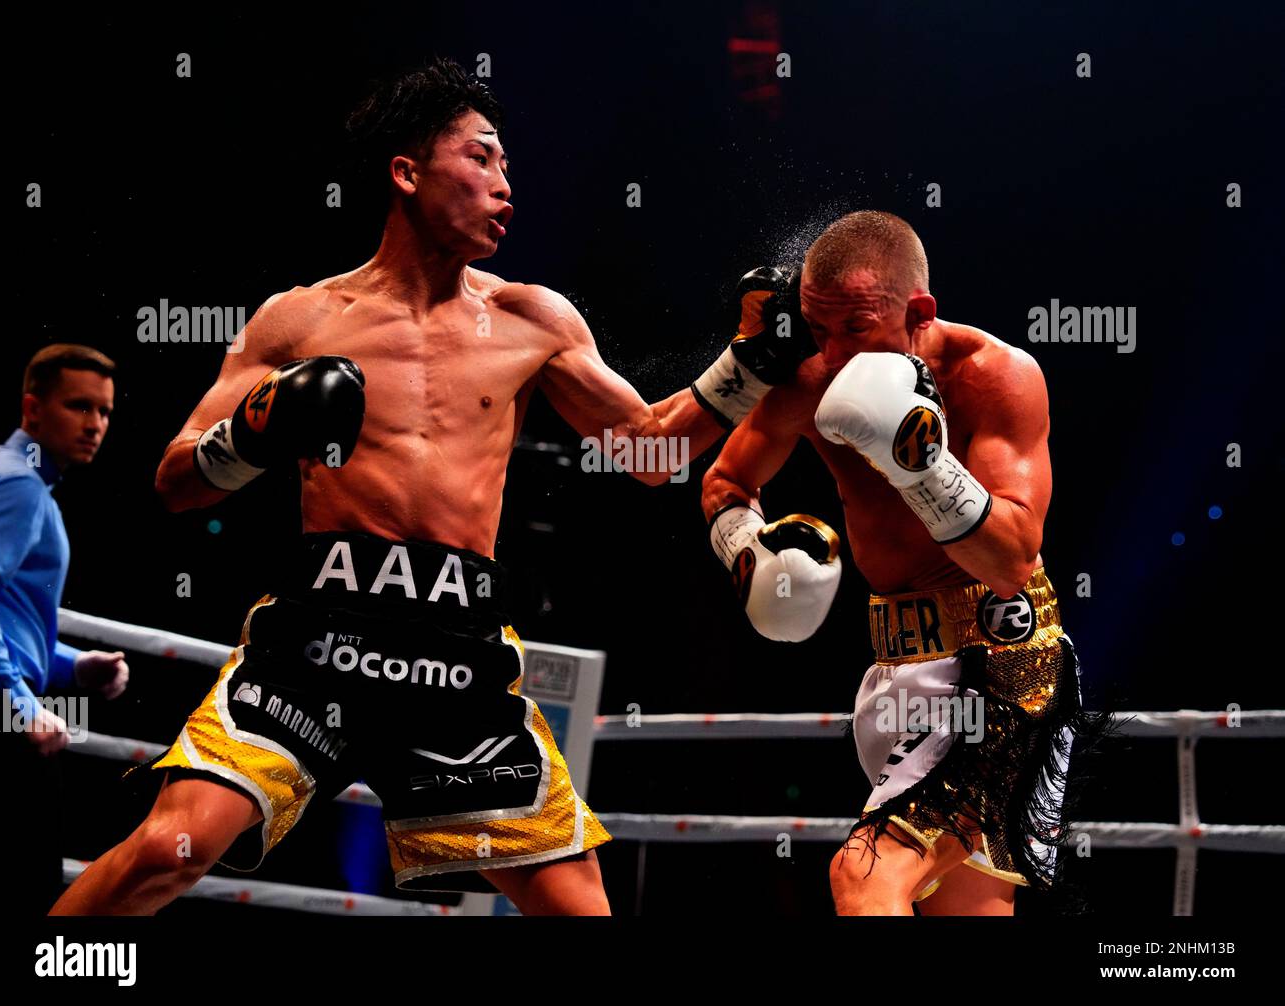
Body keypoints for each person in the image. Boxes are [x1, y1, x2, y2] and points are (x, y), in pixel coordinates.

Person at [51, 58, 810, 916]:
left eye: (509, 166)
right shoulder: (298, 319)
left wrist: (747, 366)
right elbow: (176, 481)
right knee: (162, 852)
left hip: (458, 661)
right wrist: (258, 429)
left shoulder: (535, 319)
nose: (504, 184)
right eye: (482, 159)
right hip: (315, 644)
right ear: (407, 174)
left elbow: (647, 451)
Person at [702, 210, 1092, 915]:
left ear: (919, 313)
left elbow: (1011, 557)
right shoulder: (810, 380)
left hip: (1002, 666)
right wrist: (749, 555)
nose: (834, 352)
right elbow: (725, 483)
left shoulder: (995, 377)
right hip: (894, 668)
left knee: (865, 873)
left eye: (856, 328)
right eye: (819, 330)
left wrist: (922, 466)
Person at [0, 344, 130, 915]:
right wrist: (20, 706)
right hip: (0, 718)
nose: (95, 424)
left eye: (105, 412)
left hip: (4, 707)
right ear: (32, 409)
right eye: (79, 406)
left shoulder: (18, 480)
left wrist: (72, 666)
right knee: (23, 889)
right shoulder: (16, 485)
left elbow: (11, 610)